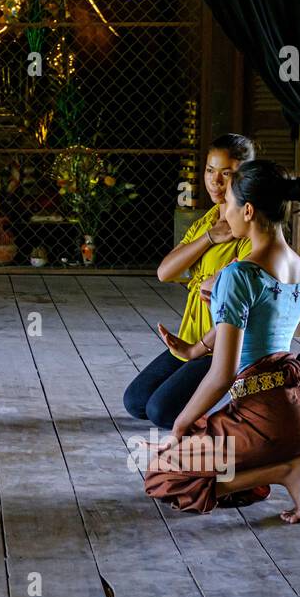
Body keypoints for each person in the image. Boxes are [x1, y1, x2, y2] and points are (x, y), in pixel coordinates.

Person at [143, 160, 300, 522]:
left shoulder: (238, 274)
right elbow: (258, 325)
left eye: (228, 202)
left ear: (247, 210)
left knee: (162, 473)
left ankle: (286, 472)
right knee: (200, 442)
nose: (223, 210)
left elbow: (222, 374)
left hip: (264, 418)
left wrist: (181, 424)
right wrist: (195, 348)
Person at [123, 134, 255, 429]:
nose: (215, 181)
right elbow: (165, 272)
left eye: (227, 173)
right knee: (135, 402)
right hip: (192, 339)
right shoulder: (207, 221)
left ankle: (228, 394)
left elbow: (236, 290)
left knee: (161, 412)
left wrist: (217, 282)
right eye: (210, 170)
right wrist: (209, 238)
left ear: (245, 176)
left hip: (223, 346)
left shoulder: (249, 230)